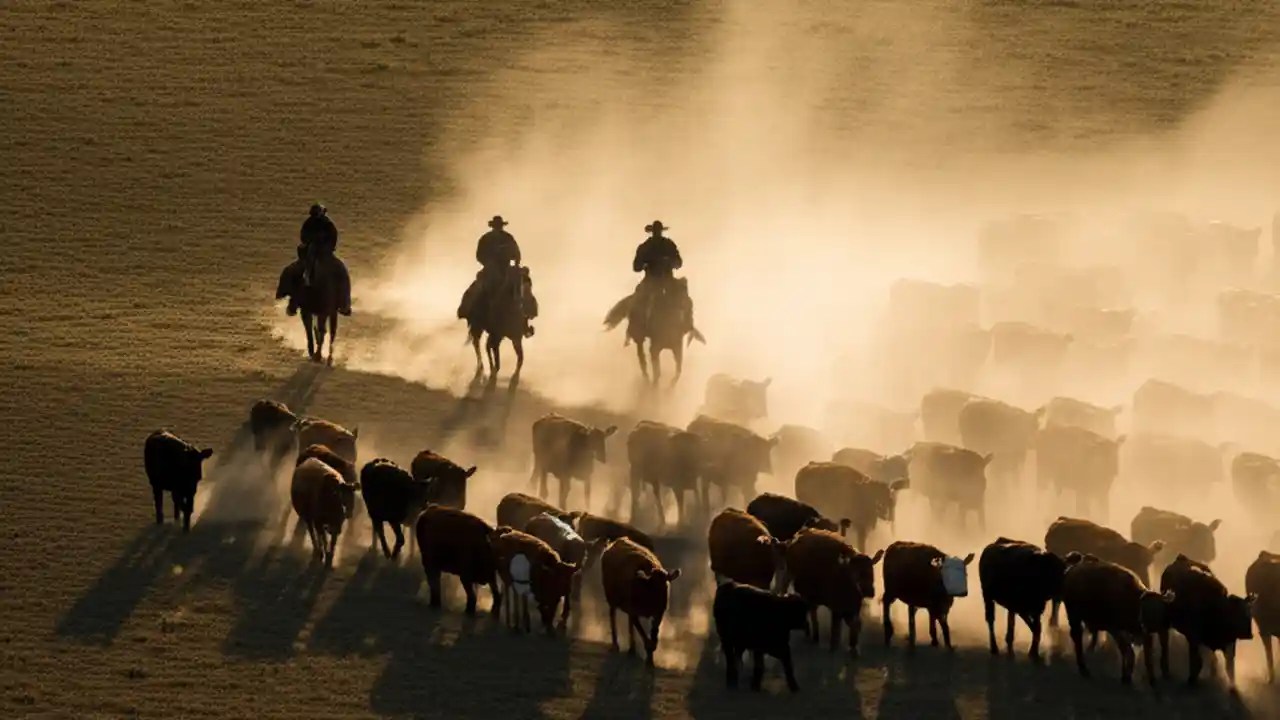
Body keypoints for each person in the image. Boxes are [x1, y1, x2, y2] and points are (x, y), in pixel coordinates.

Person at [459, 215, 536, 334]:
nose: (498, 228)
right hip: (491, 268)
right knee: (480, 287)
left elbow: (516, 253)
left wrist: (515, 264)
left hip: (506, 267)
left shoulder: (508, 238)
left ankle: (525, 316)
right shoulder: (485, 239)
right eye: (496, 226)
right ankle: (472, 312)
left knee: (523, 284)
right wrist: (488, 263)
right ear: (493, 227)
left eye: (499, 226)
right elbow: (479, 255)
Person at [295, 203, 351, 316]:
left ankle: (344, 303)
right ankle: (294, 298)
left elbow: (333, 237)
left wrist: (327, 246)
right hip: (312, 250)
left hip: (325, 251)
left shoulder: (328, 224)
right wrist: (309, 242)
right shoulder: (309, 223)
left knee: (341, 270)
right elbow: (303, 236)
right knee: (296, 270)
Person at [631, 220, 687, 325]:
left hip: (666, 280)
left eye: (658, 231)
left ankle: (687, 324)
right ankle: (637, 329)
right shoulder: (647, 246)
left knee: (684, 297)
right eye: (656, 231)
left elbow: (679, 263)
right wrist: (646, 264)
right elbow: (636, 267)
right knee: (637, 302)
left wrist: (669, 262)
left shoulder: (666, 245)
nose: (657, 233)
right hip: (652, 281)